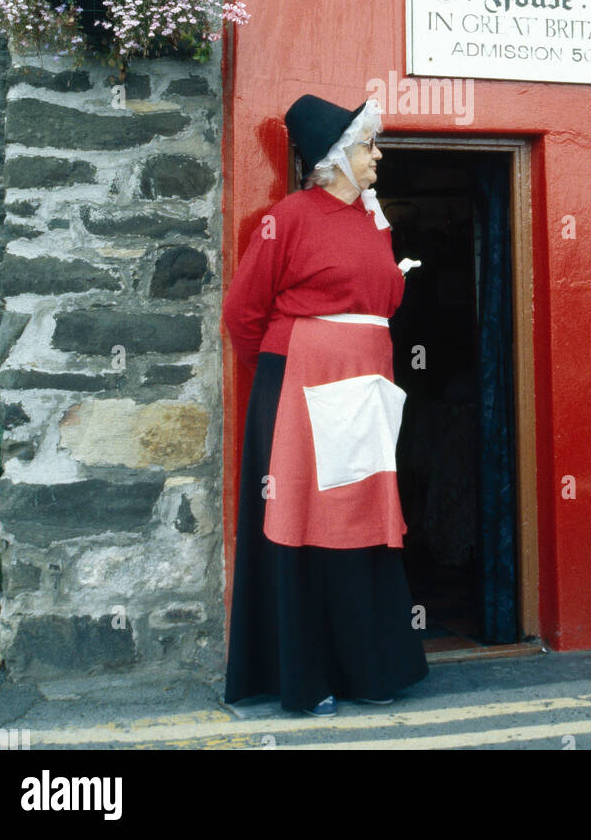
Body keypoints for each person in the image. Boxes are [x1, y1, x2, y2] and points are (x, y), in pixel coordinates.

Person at [221, 93, 429, 716]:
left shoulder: (373, 218)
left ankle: (367, 669)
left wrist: (386, 231)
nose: (379, 154)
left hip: (362, 390)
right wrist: (278, 380)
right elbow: (242, 314)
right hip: (298, 390)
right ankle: (305, 680)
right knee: (306, 526)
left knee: (359, 520)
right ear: (336, 158)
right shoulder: (289, 217)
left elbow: (385, 301)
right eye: (369, 145)